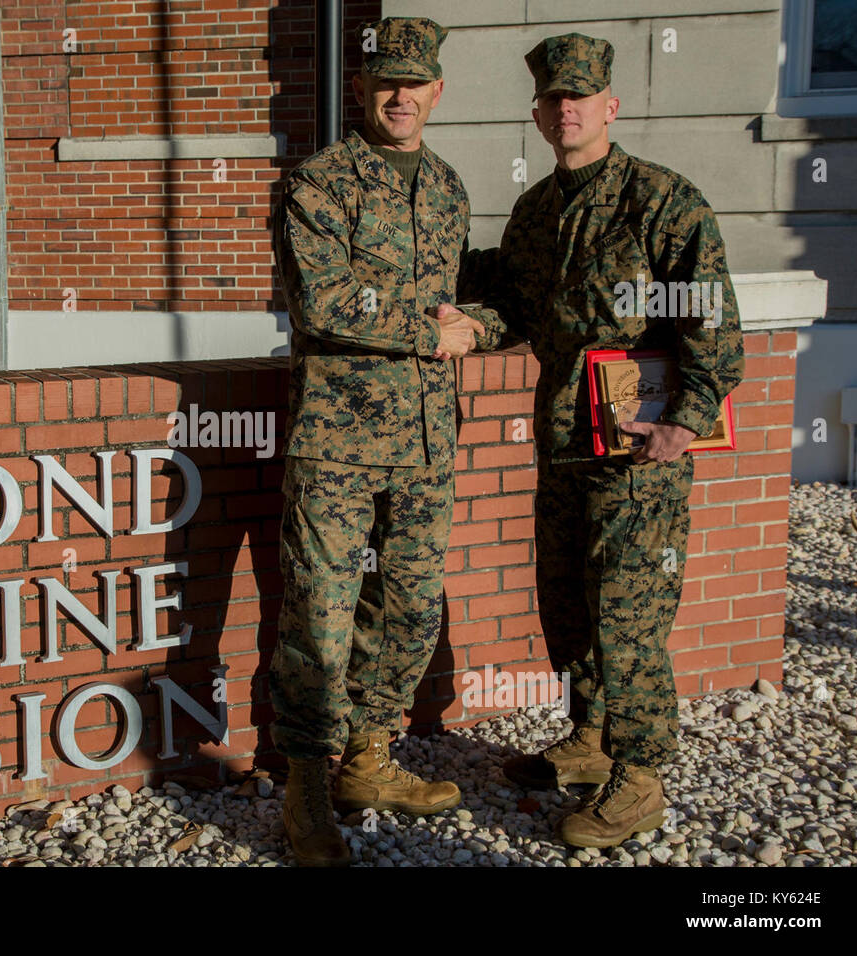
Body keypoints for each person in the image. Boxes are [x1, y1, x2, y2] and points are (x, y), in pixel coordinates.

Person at [447, 33, 745, 848]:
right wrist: (465, 319)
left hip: (640, 448)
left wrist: (689, 415)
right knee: (567, 598)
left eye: (580, 97)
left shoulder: (662, 201)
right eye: (552, 98)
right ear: (537, 113)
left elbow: (710, 316)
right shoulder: (538, 210)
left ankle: (641, 773)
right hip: (567, 440)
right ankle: (590, 738)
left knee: (628, 612)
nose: (565, 109)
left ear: (609, 106)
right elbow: (514, 305)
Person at [271, 15, 494, 867]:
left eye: (417, 82)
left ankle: (370, 756)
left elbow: (466, 298)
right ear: (362, 89)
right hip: (339, 441)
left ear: (439, 90)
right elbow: (323, 303)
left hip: (429, 440)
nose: (402, 96)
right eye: (386, 82)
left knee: (407, 607)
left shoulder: (445, 185)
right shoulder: (319, 182)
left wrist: (476, 322)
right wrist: (430, 329)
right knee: (319, 617)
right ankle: (305, 786)